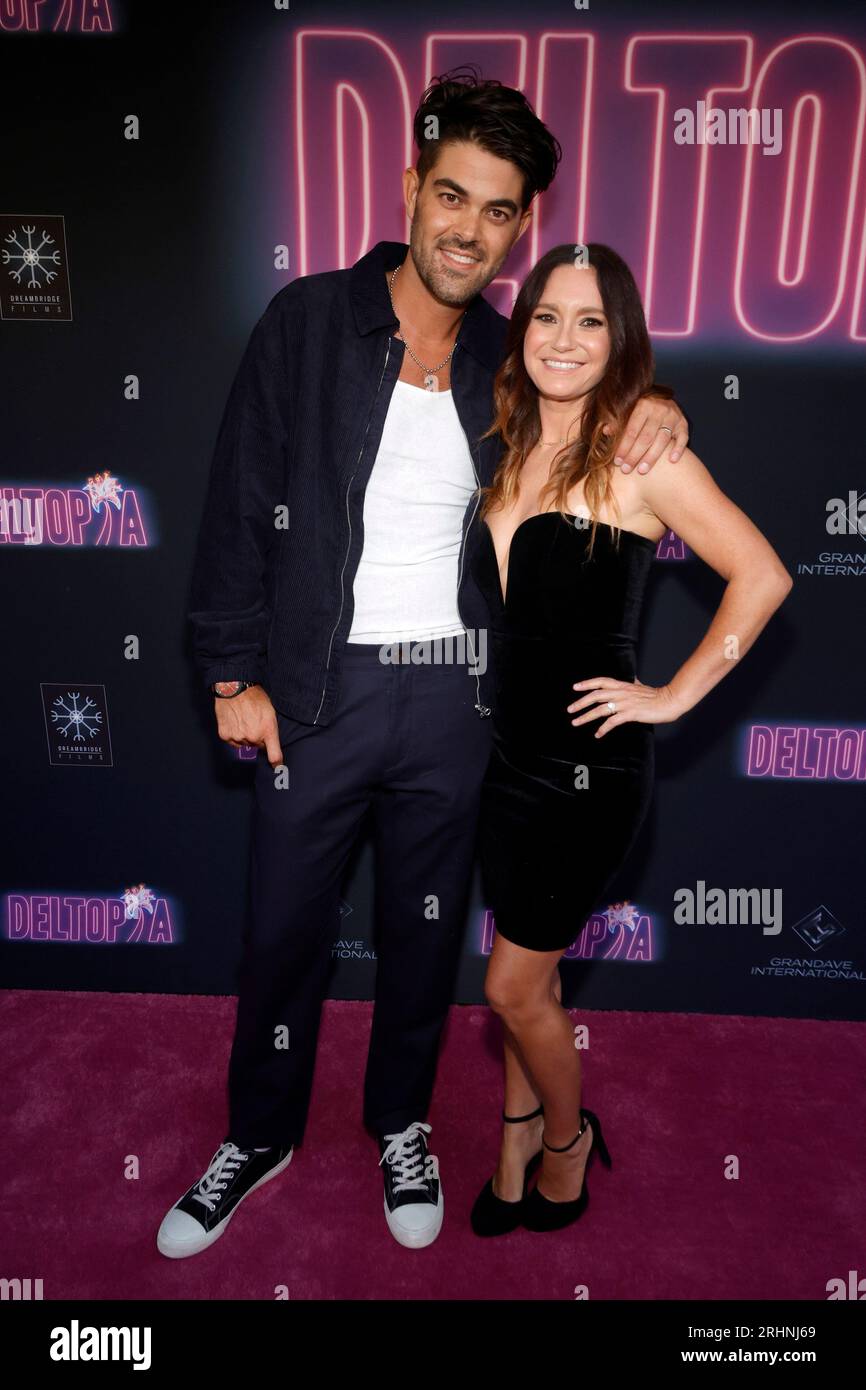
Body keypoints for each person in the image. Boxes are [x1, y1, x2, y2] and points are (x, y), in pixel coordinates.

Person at [157, 72, 690, 1259]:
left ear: (520, 230)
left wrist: (660, 407)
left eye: (498, 212)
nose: (468, 228)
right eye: (450, 195)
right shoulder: (305, 323)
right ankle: (259, 1131)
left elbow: (609, 425)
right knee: (282, 930)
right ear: (409, 186)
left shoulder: (516, 359)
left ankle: (400, 1119)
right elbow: (240, 501)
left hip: (460, 703)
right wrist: (226, 672)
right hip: (315, 692)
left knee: (419, 930)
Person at [467, 242, 792, 1237]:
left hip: (587, 774)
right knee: (539, 976)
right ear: (520, 332)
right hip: (508, 760)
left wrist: (670, 696)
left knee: (507, 985)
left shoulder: (641, 454)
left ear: (620, 342)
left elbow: (762, 574)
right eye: (545, 317)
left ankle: (564, 1139)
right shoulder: (504, 444)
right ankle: (516, 1129)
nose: (561, 339)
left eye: (589, 321)